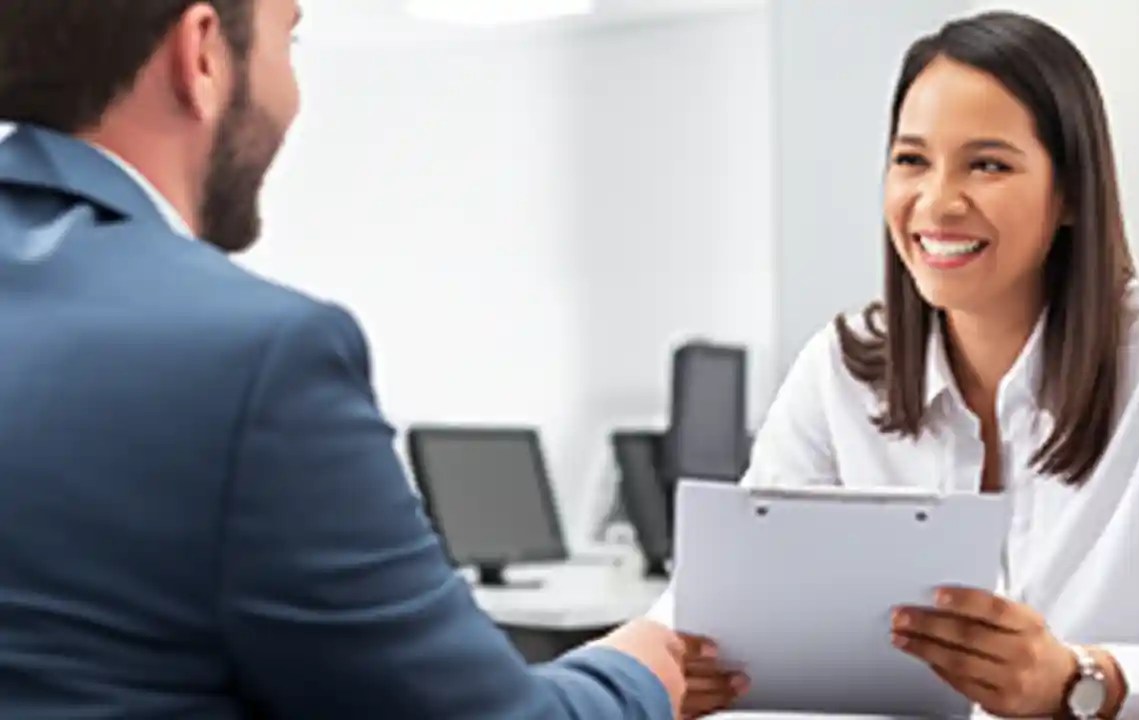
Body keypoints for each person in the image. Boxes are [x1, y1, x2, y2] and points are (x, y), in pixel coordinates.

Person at [0, 1, 740, 717]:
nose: (292, 96)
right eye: (290, 41)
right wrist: (644, 669)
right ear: (201, 56)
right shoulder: (253, 358)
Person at [671, 10, 1139, 719]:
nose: (937, 202)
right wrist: (689, 667)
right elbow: (730, 608)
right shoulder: (839, 370)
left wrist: (1084, 680)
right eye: (911, 160)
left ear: (1071, 194)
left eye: (987, 164)